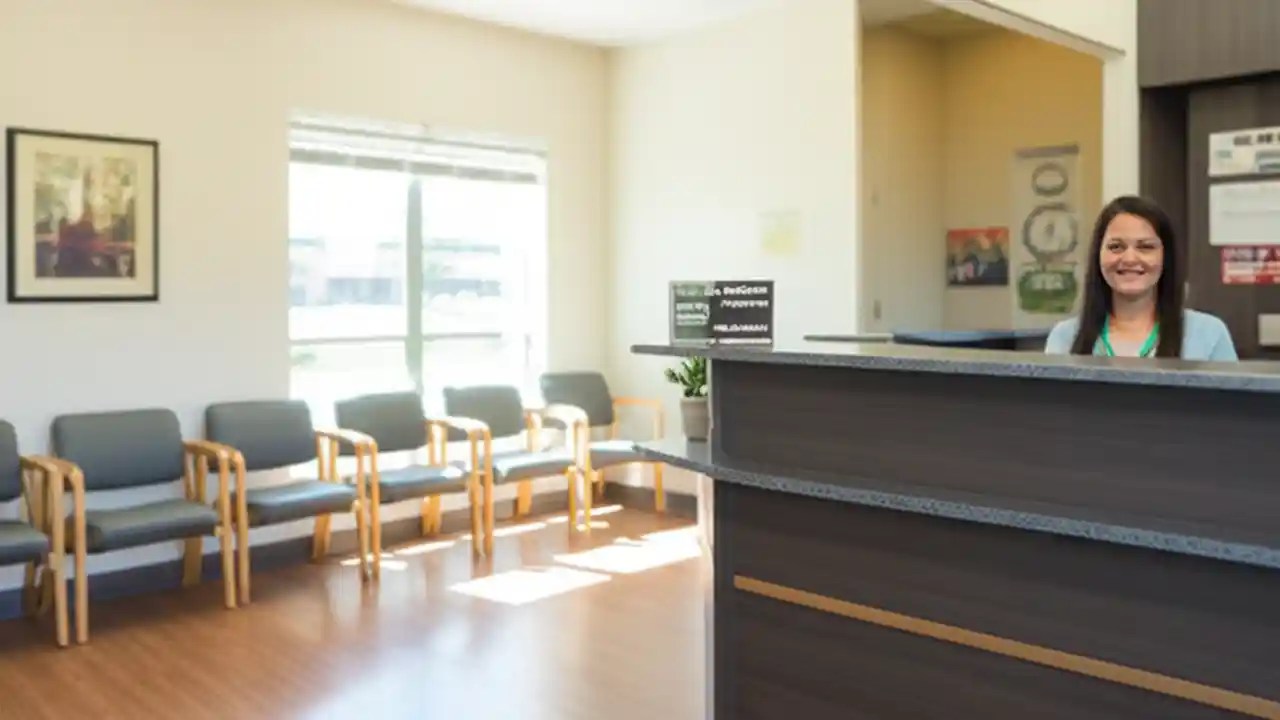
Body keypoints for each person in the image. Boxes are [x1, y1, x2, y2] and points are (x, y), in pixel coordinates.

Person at [1044, 195, 1237, 360]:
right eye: (1116, 247)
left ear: (1165, 256)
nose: (1129, 259)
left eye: (1145, 247)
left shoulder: (1209, 335)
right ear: (1098, 255)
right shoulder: (1065, 338)